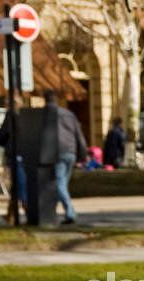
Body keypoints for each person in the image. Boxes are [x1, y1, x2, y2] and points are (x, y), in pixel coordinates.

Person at [46, 90, 87, 225]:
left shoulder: (47, 114)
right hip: (70, 152)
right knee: (62, 184)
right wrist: (82, 155)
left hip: (57, 152)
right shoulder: (69, 114)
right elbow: (79, 135)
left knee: (60, 184)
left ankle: (69, 212)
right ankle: (51, 211)